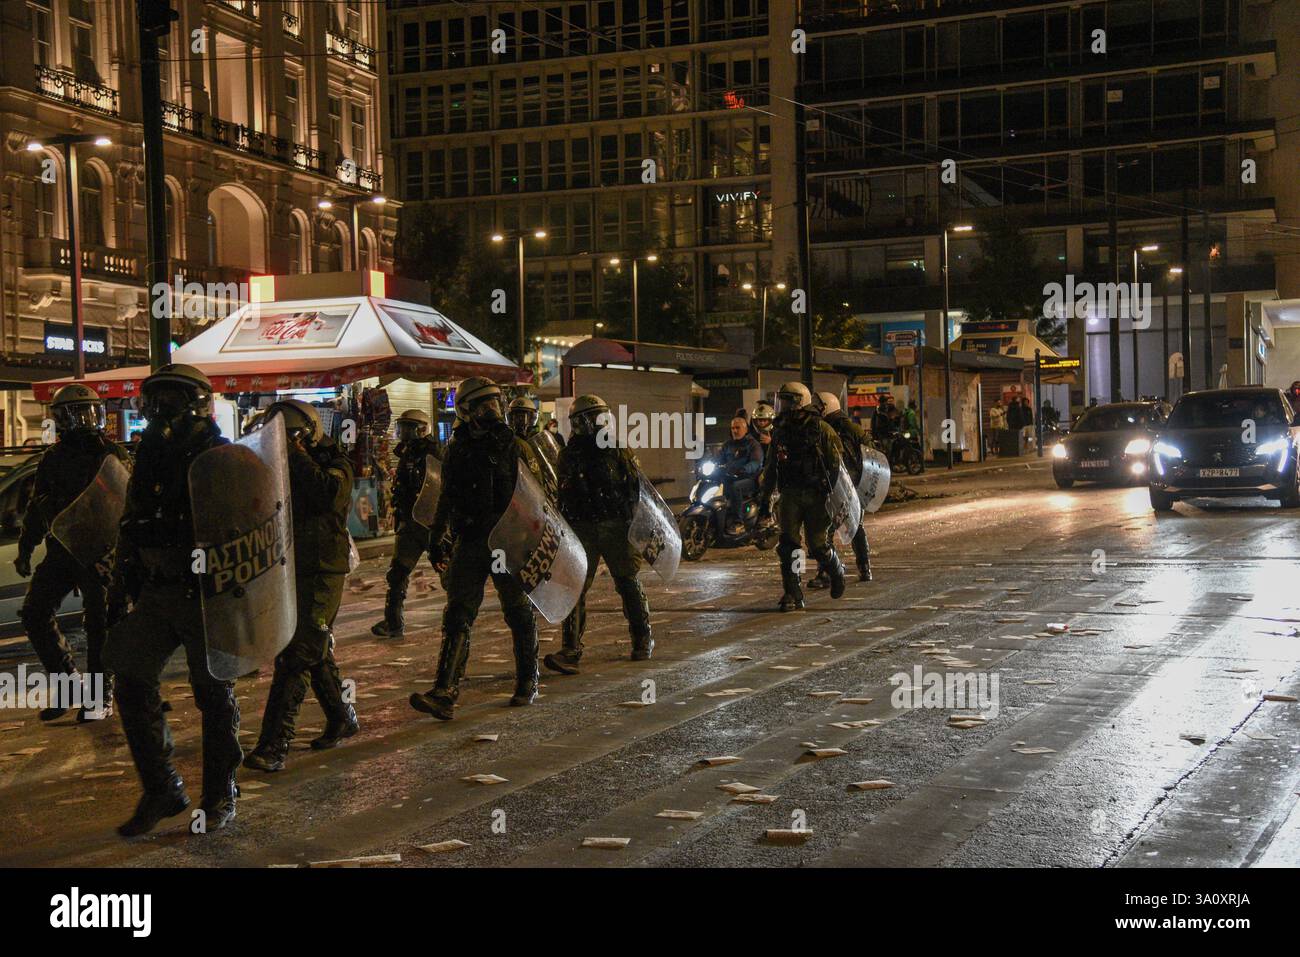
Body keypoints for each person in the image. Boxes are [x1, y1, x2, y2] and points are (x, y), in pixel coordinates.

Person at [104, 364, 241, 836]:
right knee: (131, 677)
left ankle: (220, 795)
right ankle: (162, 787)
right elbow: (131, 518)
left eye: (170, 401)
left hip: (205, 593)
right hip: (159, 589)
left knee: (213, 693)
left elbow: (243, 525)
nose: (160, 411)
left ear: (197, 403)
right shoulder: (150, 455)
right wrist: (121, 584)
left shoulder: (219, 455)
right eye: (153, 401)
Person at [409, 377, 546, 720]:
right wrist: (437, 535)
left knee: (516, 610)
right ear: (467, 410)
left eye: (495, 404)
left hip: (506, 540)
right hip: (471, 540)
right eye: (484, 406)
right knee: (458, 613)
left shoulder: (515, 446)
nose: (492, 411)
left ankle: (528, 679)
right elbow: (447, 495)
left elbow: (539, 497)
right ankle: (445, 691)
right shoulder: (457, 448)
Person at [244, 400, 358, 772]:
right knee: (313, 647)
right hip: (288, 566)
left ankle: (275, 744)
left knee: (297, 654)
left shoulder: (334, 464)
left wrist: (295, 457)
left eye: (289, 437)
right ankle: (342, 715)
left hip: (324, 567)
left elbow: (328, 495)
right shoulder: (278, 466)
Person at [16, 384, 131, 722]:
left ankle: (100, 696)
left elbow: (128, 503)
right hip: (63, 550)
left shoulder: (112, 454)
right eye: (75, 414)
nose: (83, 421)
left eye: (88, 413)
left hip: (102, 552)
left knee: (101, 626)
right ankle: (69, 685)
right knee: (35, 612)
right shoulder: (53, 458)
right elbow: (39, 506)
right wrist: (26, 548)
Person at [542, 394, 653, 675]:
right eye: (587, 419)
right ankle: (571, 650)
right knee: (575, 586)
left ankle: (642, 638)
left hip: (614, 524)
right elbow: (562, 490)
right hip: (583, 527)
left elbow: (635, 488)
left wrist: (633, 522)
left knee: (627, 580)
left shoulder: (616, 448)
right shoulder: (570, 453)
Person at [757, 382, 847, 611]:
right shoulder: (780, 430)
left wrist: (837, 498)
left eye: (787, 400)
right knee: (789, 545)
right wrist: (764, 501)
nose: (783, 406)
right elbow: (771, 468)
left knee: (817, 546)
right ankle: (792, 591)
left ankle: (836, 569)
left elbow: (837, 466)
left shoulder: (821, 429)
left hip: (817, 495)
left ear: (799, 403)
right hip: (790, 493)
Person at [371, 409, 444, 639]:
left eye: (409, 428)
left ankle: (460, 616)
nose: (404, 433)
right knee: (398, 573)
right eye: (402, 428)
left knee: (450, 574)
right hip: (410, 523)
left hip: (432, 525)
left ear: (422, 430)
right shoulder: (406, 455)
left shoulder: (434, 454)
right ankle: (393, 621)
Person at [809, 392, 872, 585]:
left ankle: (832, 570)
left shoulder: (838, 428)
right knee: (848, 527)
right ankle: (859, 567)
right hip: (840, 483)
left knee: (839, 527)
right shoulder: (845, 427)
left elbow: (869, 456)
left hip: (844, 483)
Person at [719, 416, 763, 535]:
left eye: (738, 427)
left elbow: (756, 462)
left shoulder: (753, 444)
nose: (734, 430)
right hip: (729, 477)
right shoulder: (727, 445)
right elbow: (718, 460)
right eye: (733, 428)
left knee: (735, 487)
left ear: (745, 429)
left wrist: (744, 469)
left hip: (749, 479)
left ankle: (738, 522)